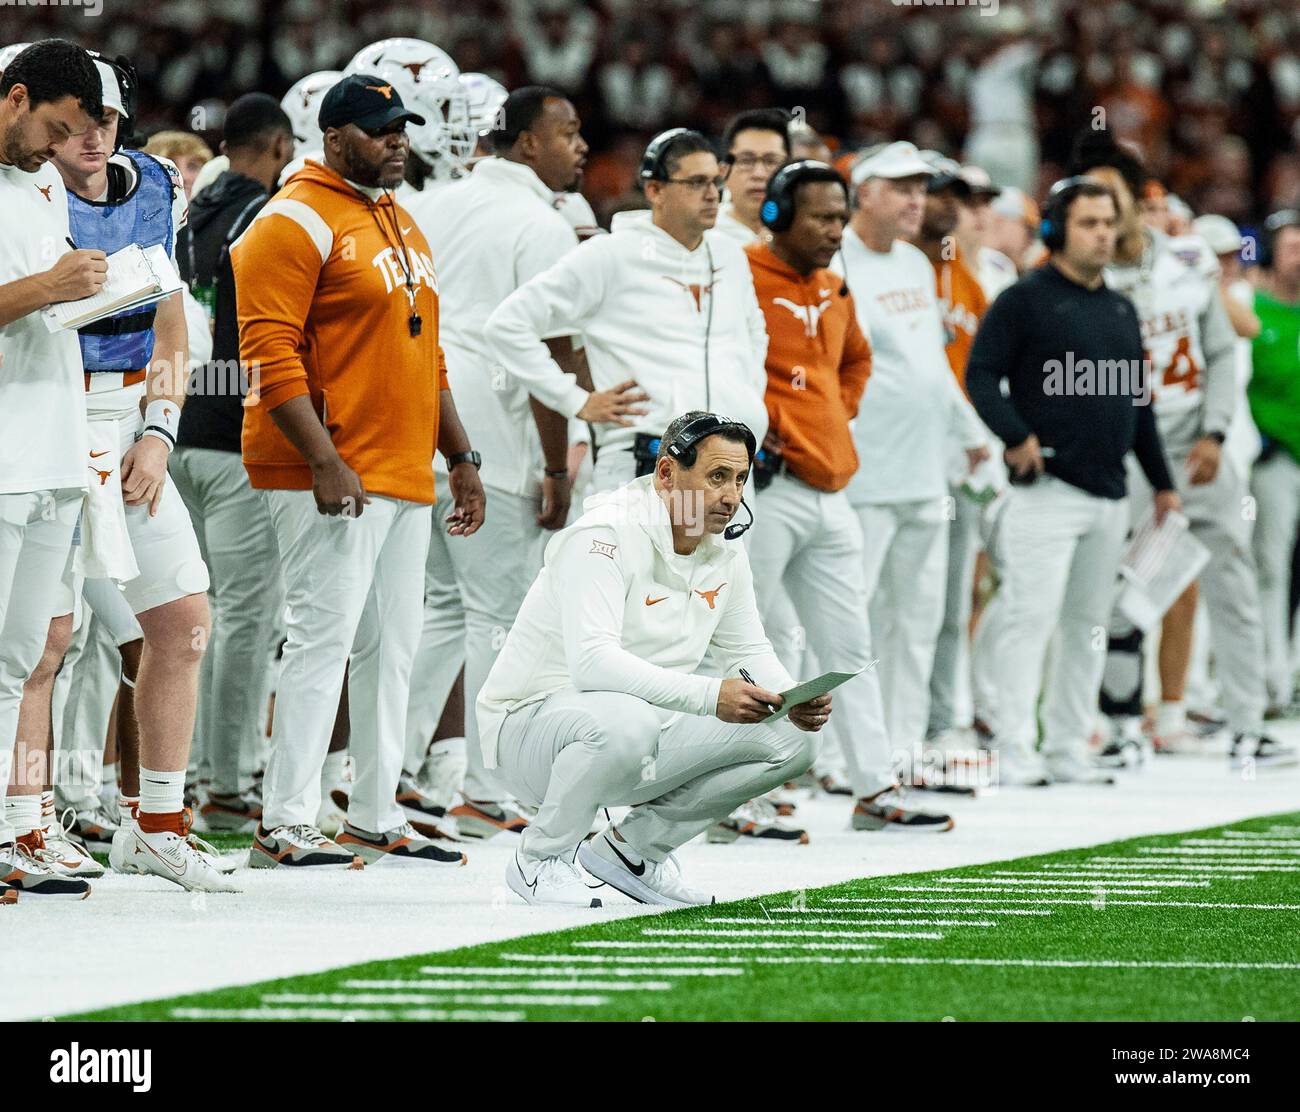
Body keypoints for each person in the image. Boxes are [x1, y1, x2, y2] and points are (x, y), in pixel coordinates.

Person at [232, 74, 480, 868]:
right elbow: (265, 355)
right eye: (379, 131)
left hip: (404, 467)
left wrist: (462, 456)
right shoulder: (290, 217)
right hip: (329, 471)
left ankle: (374, 811)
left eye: (401, 128)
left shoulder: (400, 219)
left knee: (392, 646)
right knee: (321, 641)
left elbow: (426, 352)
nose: (397, 141)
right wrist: (324, 459)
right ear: (333, 138)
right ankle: (285, 816)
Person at [478, 412, 829, 907]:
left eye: (741, 479)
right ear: (666, 474)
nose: (732, 496)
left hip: (638, 731)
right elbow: (593, 664)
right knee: (629, 722)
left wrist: (791, 698)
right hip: (530, 732)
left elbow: (749, 650)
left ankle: (632, 852)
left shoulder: (726, 549)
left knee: (793, 738)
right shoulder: (602, 534)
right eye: (716, 477)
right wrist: (712, 696)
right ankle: (540, 859)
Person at [51, 52, 231, 891]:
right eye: (76, 117)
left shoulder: (156, 184)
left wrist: (159, 431)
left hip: (125, 419)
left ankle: (156, 823)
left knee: (184, 620)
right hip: (34, 415)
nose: (94, 135)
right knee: (47, 640)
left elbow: (169, 325)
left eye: (108, 118)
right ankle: (24, 817)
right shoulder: (20, 196)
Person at [398, 85, 589, 839]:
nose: (579, 146)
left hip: (423, 415)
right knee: (500, 619)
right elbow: (547, 353)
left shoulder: (433, 205)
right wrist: (558, 465)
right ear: (527, 144)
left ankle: (386, 769)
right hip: (495, 439)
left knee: (441, 610)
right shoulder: (540, 226)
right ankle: (483, 785)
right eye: (568, 132)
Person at [745, 161, 951, 832]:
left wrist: (833, 410)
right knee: (747, 639)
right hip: (766, 489)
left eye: (839, 217)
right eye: (821, 218)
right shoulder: (740, 276)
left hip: (831, 486)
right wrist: (760, 431)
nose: (835, 230)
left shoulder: (835, 287)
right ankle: (738, 793)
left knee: (848, 645)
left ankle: (874, 788)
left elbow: (857, 361)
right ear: (777, 217)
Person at [1070, 134, 1287, 769]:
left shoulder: (1188, 259)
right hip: (1125, 450)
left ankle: (1248, 722)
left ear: (1141, 200)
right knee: (1116, 588)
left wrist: (1217, 431)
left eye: (1115, 199)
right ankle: (1115, 725)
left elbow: (1221, 349)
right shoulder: (1081, 272)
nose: (1107, 218)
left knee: (1232, 578)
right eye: (1093, 204)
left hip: (1195, 443)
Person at [965, 177, 1181, 785]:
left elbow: (1138, 406)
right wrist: (1015, 435)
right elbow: (980, 374)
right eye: (1089, 223)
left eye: (1109, 223)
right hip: (1047, 491)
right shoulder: (1026, 299)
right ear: (1058, 230)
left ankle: (1065, 747)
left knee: (1086, 627)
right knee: (1028, 619)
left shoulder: (1119, 308)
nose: (1103, 234)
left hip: (1108, 494)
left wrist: (1162, 484)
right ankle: (1012, 748)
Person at [486, 128, 769, 494]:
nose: (713, 194)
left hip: (729, 467)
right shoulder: (611, 255)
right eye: (697, 182)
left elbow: (755, 332)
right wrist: (576, 400)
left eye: (717, 181)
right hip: (646, 464)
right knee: (642, 555)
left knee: (725, 556)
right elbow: (507, 325)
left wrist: (748, 395)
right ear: (655, 190)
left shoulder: (730, 254)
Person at [832, 141, 989, 770]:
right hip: (864, 473)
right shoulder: (835, 262)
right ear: (864, 192)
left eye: (920, 189)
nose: (915, 201)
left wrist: (970, 432)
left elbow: (931, 368)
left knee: (917, 619)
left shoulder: (917, 267)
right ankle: (841, 756)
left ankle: (900, 748)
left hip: (926, 473)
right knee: (855, 618)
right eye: (900, 188)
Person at [169, 93, 295, 831]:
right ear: (279, 146)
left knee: (193, 617)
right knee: (248, 621)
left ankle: (182, 772)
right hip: (240, 438)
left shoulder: (194, 205)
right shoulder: (270, 215)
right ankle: (228, 784)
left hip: (180, 425)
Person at [0, 39, 106, 899]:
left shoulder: (35, 186)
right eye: (53, 128)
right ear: (15, 94)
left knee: (17, 660)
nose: (57, 147)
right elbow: (29, 295)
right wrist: (49, 286)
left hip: (50, 450)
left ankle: (8, 835)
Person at [913, 156, 994, 758]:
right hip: (901, 454)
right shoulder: (889, 267)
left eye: (957, 199)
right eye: (937, 194)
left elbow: (981, 372)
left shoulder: (966, 278)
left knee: (948, 600)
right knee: (891, 601)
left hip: (959, 460)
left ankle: (941, 720)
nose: (949, 207)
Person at [1248, 211, 1300, 723]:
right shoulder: (1254, 312)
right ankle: (1271, 678)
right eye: (1291, 247)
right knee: (1270, 567)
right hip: (1274, 458)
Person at [715, 108, 789, 245]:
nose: (759, 174)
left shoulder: (806, 237)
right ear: (724, 172)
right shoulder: (703, 234)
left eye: (771, 161)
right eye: (746, 161)